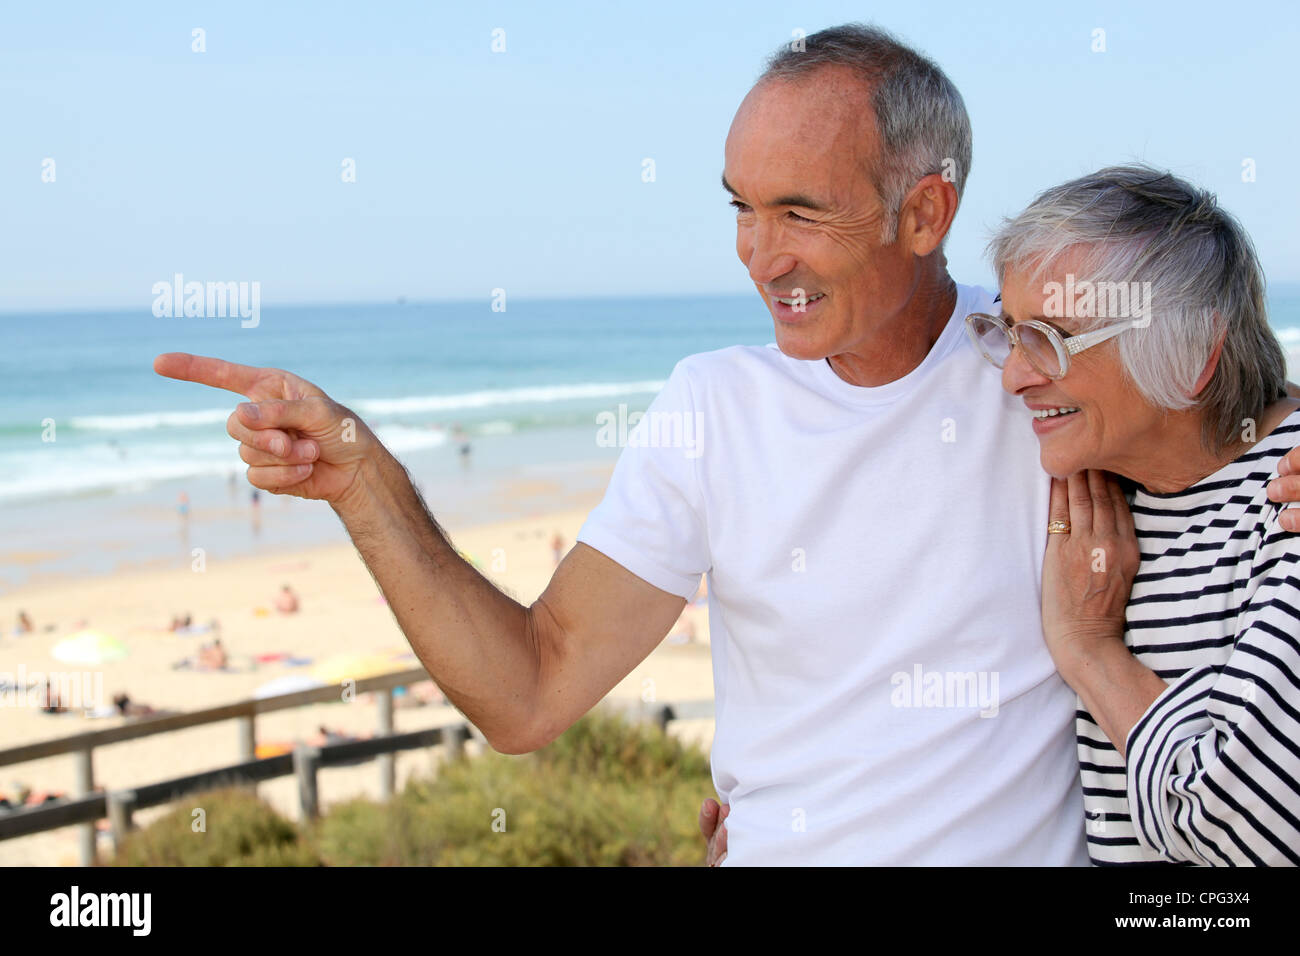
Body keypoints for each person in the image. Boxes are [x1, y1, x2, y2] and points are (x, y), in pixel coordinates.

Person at [152, 24, 1300, 865]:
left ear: (925, 212)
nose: (758, 253)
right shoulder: (709, 408)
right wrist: (366, 481)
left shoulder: (1046, 387)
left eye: (800, 210)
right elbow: (530, 693)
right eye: (739, 206)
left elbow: (1208, 381)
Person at [972, 165, 1300, 865]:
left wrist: (1090, 649)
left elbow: (1245, 827)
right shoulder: (1086, 482)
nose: (1013, 376)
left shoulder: (1289, 506)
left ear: (1190, 353)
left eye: (1051, 339)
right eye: (1007, 332)